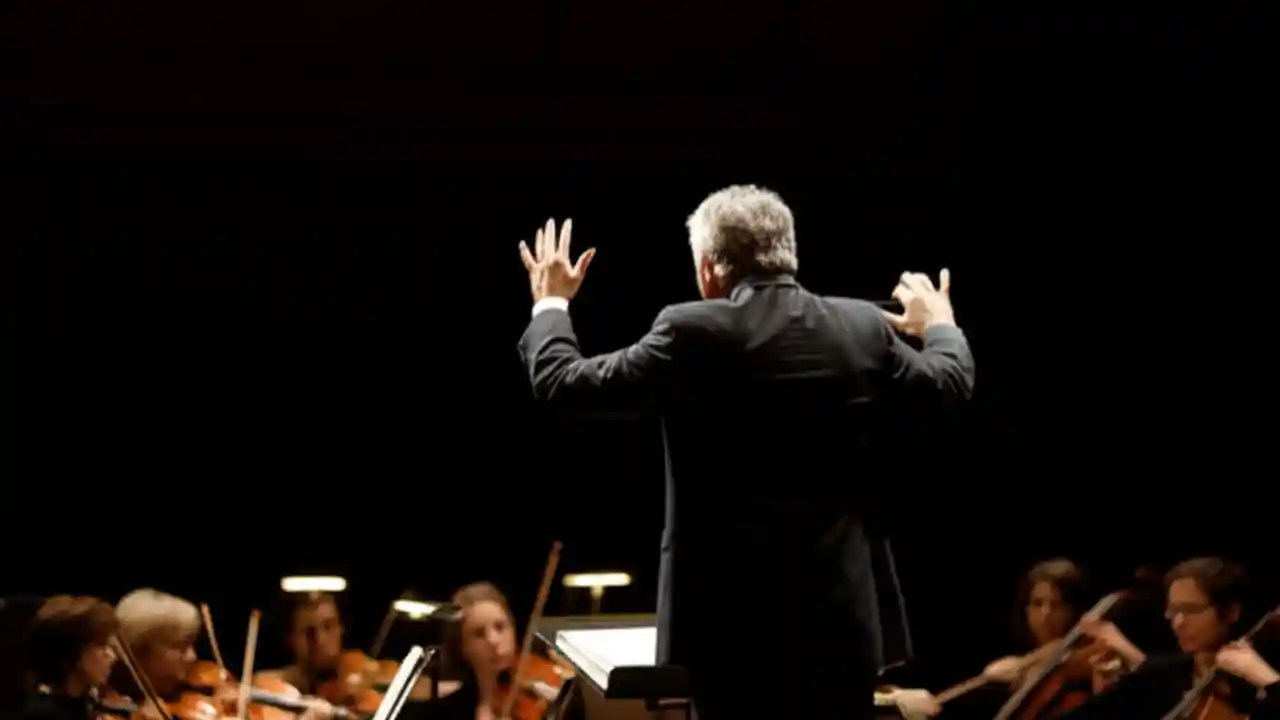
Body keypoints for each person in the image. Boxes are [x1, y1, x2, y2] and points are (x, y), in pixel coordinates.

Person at [515, 184, 976, 719]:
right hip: (842, 626)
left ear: (708, 268)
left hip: (729, 631)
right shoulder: (861, 326)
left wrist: (551, 301)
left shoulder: (691, 331)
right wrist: (939, 323)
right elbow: (949, 382)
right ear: (789, 254)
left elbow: (563, 382)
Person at [1061, 557, 1280, 718]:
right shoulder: (1162, 675)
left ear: (1231, 612)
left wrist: (1269, 681)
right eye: (1173, 612)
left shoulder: (1260, 674)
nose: (1178, 622)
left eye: (1191, 610)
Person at [19, 595, 118, 720]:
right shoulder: (44, 714)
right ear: (73, 650)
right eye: (101, 645)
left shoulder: (80, 700)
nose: (112, 656)